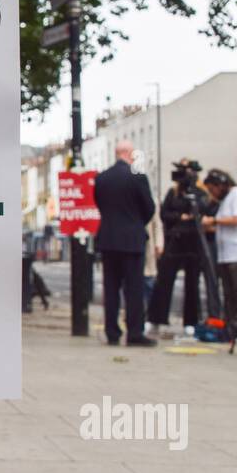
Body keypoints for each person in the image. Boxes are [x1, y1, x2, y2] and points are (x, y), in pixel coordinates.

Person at [93, 140, 157, 346]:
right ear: (129, 153)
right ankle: (134, 333)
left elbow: (99, 205)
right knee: (133, 289)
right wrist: (136, 224)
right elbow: (149, 208)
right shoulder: (137, 177)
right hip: (132, 240)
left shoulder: (102, 178)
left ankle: (112, 332)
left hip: (108, 239)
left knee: (110, 289)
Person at [148, 161, 210, 333]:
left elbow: (204, 211)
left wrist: (192, 213)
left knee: (192, 283)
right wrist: (180, 217)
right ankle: (156, 318)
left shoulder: (200, 193)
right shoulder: (173, 193)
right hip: (175, 239)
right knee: (164, 281)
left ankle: (191, 321)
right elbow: (164, 214)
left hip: (193, 240)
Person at [201, 169, 237, 341]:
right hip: (227, 255)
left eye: (213, 189)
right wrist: (210, 226)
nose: (212, 194)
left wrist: (213, 221)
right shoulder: (226, 200)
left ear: (221, 184)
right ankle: (234, 328)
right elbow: (226, 225)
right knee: (230, 295)